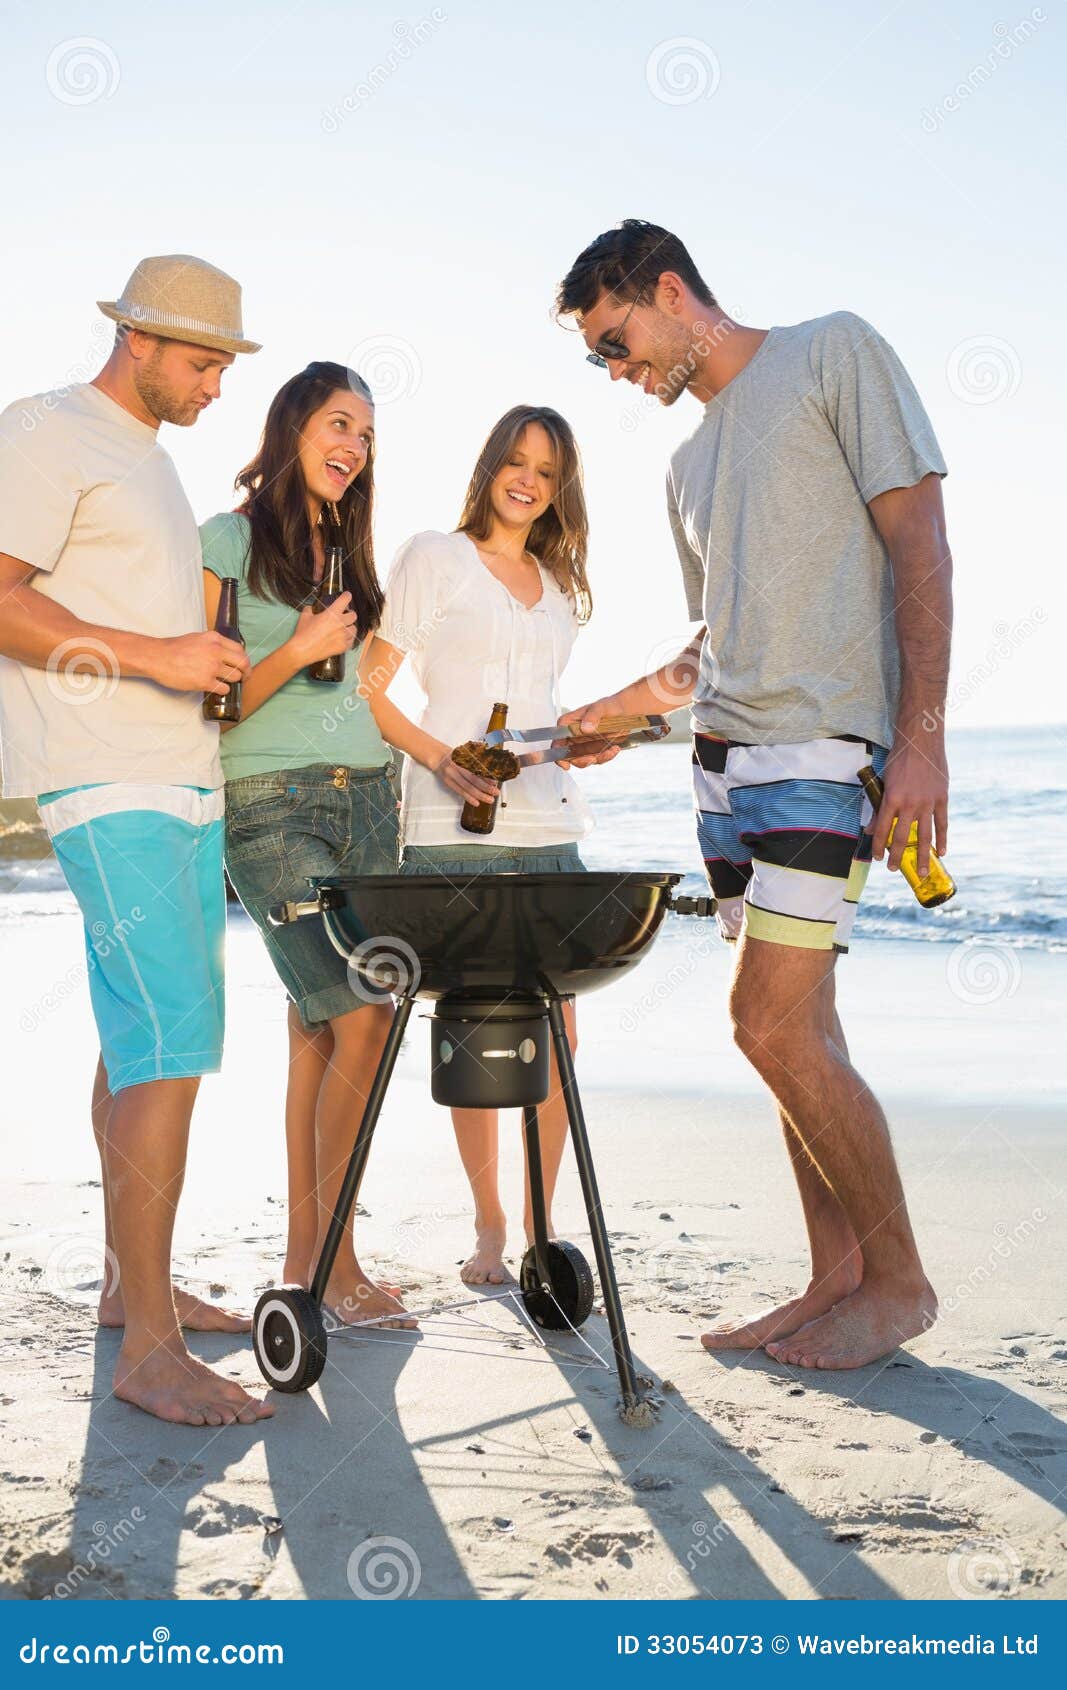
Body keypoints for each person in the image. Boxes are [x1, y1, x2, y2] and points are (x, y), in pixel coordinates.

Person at [555, 220, 951, 1371]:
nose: (616, 372)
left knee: (764, 1020)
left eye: (615, 341)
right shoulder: (683, 467)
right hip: (725, 772)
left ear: (670, 291)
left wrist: (919, 740)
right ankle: (835, 1276)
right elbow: (712, 649)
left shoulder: (832, 351)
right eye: (598, 358)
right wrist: (603, 723)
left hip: (825, 754)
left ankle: (899, 1281)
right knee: (795, 1034)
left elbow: (917, 538)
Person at [0, 254, 273, 1426]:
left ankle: (133, 1289)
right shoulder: (48, 430)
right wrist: (158, 657)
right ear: (140, 341)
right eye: (204, 361)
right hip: (104, 775)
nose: (216, 386)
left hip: (179, 778)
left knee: (141, 1038)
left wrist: (199, 658)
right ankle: (150, 1351)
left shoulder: (151, 463)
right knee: (168, 1044)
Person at [200, 360, 412, 1329]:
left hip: (372, 798)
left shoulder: (353, 555)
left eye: (365, 434)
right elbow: (210, 702)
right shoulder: (227, 540)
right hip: (270, 805)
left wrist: (444, 758)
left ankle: (315, 1260)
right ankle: (329, 1263)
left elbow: (369, 693)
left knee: (321, 1026)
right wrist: (299, 647)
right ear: (291, 427)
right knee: (368, 1013)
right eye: (338, 423)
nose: (352, 447)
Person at [362, 405, 592, 1285]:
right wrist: (442, 760)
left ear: (559, 486)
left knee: (557, 1035)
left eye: (546, 467)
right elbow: (372, 690)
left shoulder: (559, 582)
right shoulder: (435, 556)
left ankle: (541, 1222)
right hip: (447, 828)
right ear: (491, 464)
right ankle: (490, 1223)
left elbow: (539, 715)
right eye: (516, 459)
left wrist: (581, 738)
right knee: (474, 1030)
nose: (527, 477)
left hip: (549, 825)